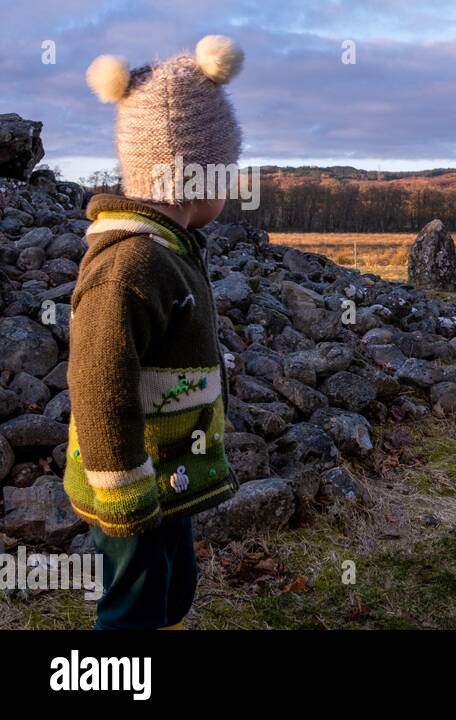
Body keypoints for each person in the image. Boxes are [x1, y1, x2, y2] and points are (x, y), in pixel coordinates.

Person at [67, 35, 245, 629]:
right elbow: (97, 381)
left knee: (170, 592)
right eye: (227, 173)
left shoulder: (171, 251)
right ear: (197, 177)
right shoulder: (132, 264)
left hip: (172, 475)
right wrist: (122, 490)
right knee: (131, 609)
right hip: (133, 486)